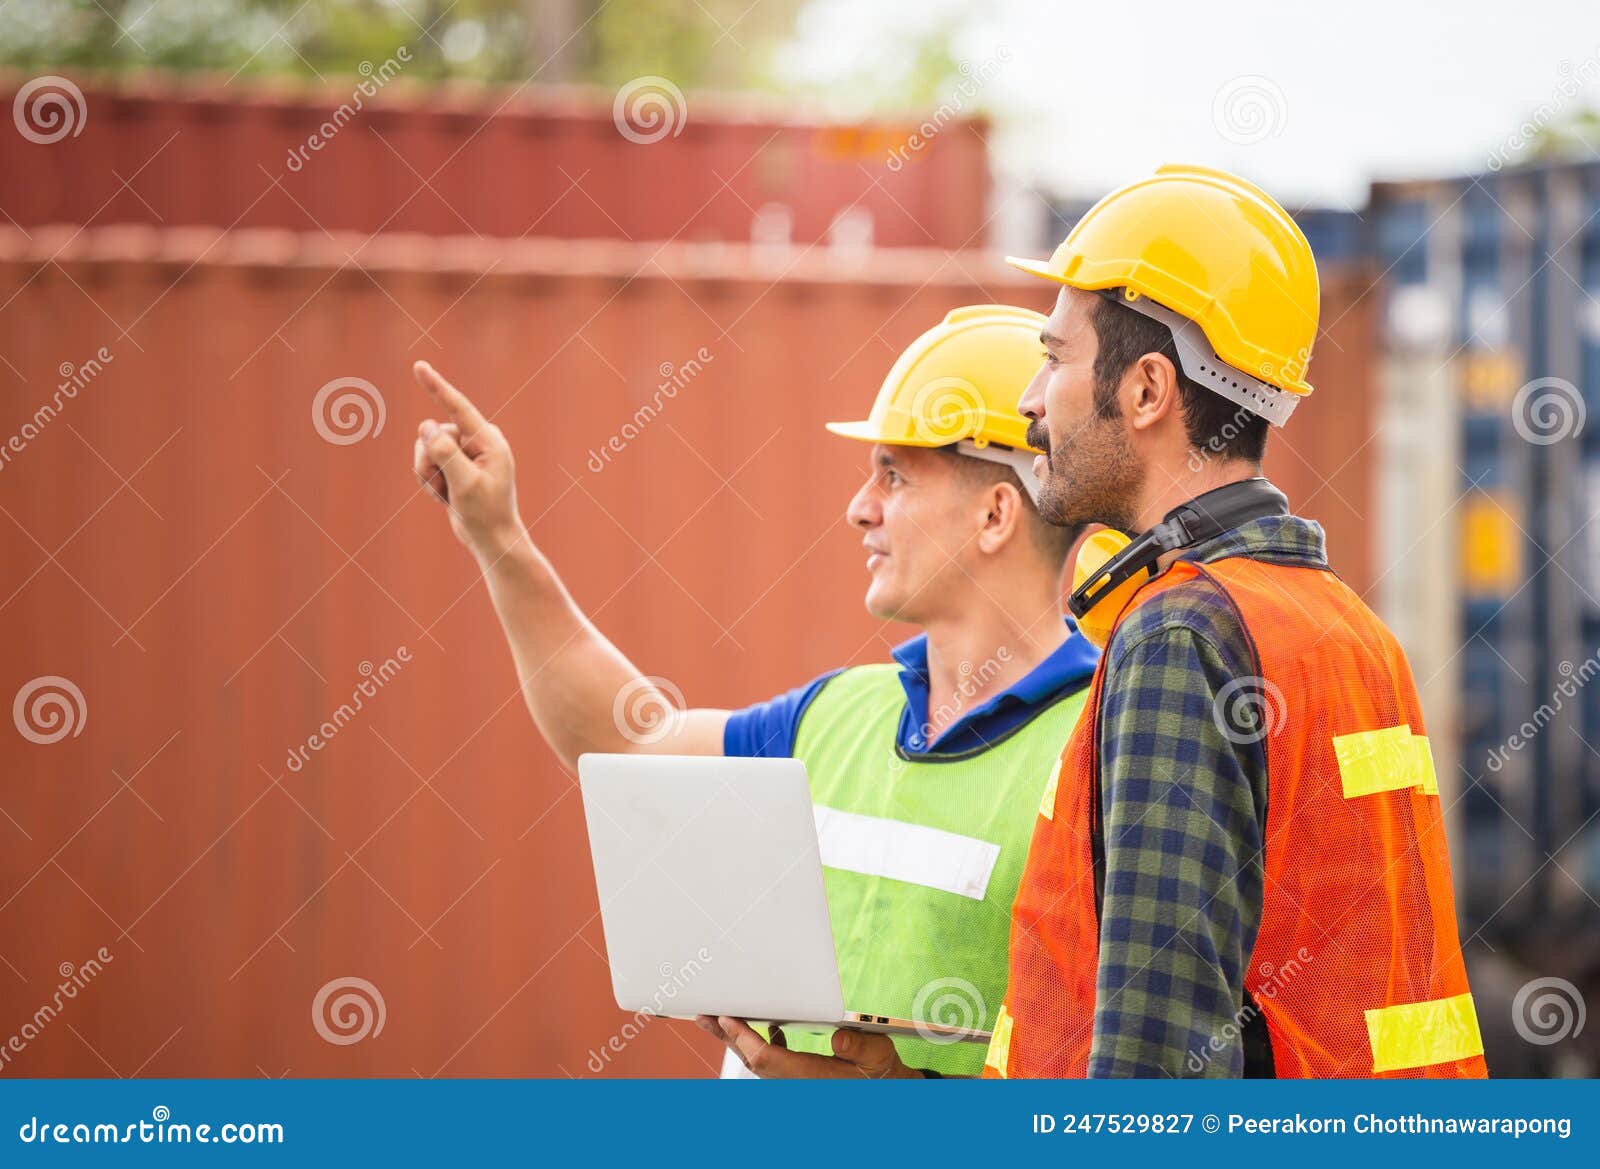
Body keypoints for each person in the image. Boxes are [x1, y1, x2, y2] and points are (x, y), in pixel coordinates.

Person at [710, 164, 1487, 1080]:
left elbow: (1152, 1080)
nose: (1033, 401)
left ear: (1148, 390)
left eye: (1054, 357)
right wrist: (896, 1100)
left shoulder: (1183, 637)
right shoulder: (1350, 630)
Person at [409, 305, 1099, 1078]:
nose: (859, 506)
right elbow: (625, 740)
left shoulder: (1102, 748)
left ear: (996, 512)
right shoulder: (841, 716)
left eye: (895, 474)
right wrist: (498, 538)